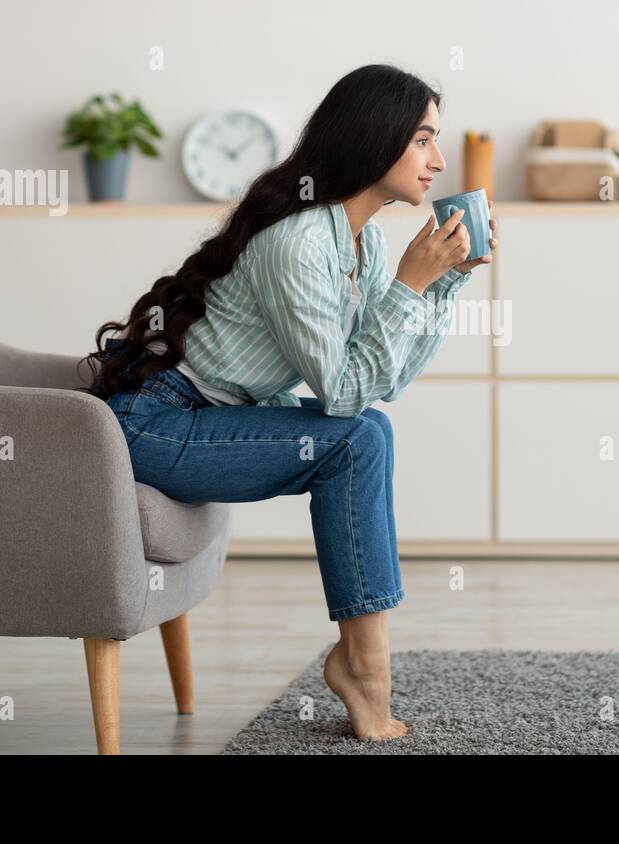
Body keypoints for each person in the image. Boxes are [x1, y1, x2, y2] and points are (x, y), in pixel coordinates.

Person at [78, 63, 498, 741]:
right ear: (375, 137)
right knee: (358, 436)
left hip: (204, 416)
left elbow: (377, 381)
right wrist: (411, 289)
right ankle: (365, 664)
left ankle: (363, 660)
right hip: (154, 421)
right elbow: (346, 392)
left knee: (370, 431)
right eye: (423, 140)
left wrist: (438, 284)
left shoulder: (359, 239)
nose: (438, 161)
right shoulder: (299, 240)